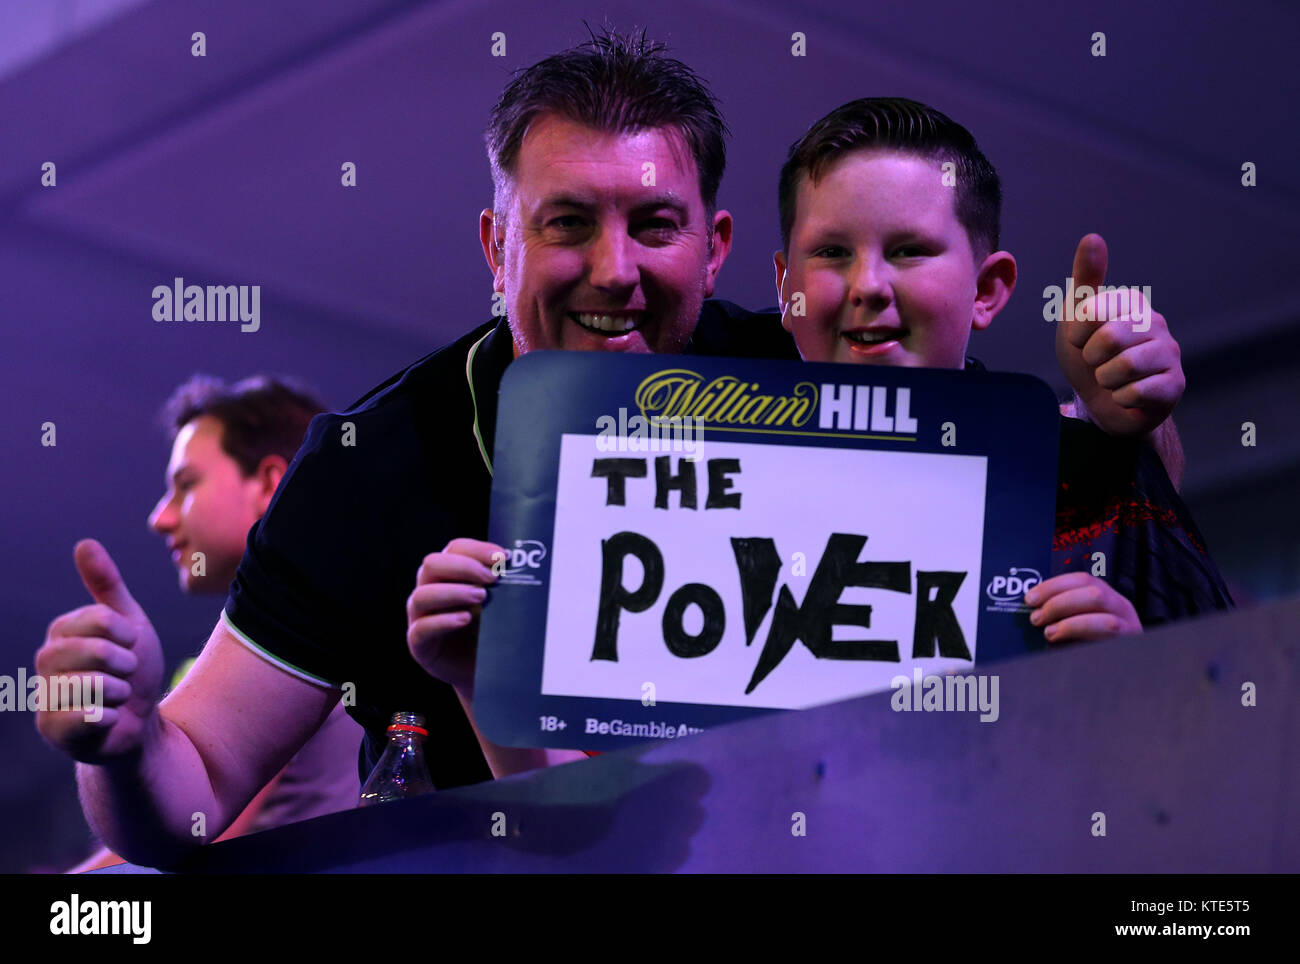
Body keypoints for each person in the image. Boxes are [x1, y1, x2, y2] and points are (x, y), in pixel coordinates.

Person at [35, 34, 1187, 868]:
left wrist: (1135, 399)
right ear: (498, 243)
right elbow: (184, 807)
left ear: (717, 243)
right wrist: (121, 737)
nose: (613, 270)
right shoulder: (372, 464)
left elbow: (1101, 509)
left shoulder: (812, 371)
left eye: (653, 224)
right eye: (566, 223)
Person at [770, 97, 1232, 635]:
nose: (868, 285)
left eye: (908, 250)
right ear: (785, 287)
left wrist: (1132, 672)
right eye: (831, 252)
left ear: (986, 291)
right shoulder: (694, 460)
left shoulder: (1086, 483)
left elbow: (1238, 699)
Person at [65, 376, 363, 872]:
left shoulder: (296, 640)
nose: (160, 517)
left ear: (269, 483)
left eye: (186, 486)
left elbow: (192, 834)